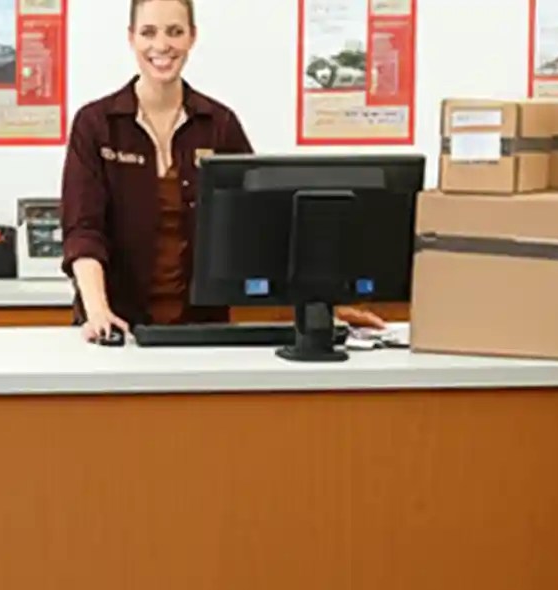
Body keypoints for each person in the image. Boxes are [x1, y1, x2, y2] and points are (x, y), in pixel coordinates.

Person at [60, 0, 384, 342]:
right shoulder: (95, 125)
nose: (161, 45)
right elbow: (83, 230)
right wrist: (98, 311)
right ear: (131, 38)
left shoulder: (219, 125)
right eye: (148, 32)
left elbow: (264, 226)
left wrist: (323, 304)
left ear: (192, 38)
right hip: (116, 329)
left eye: (175, 32)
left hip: (201, 332)